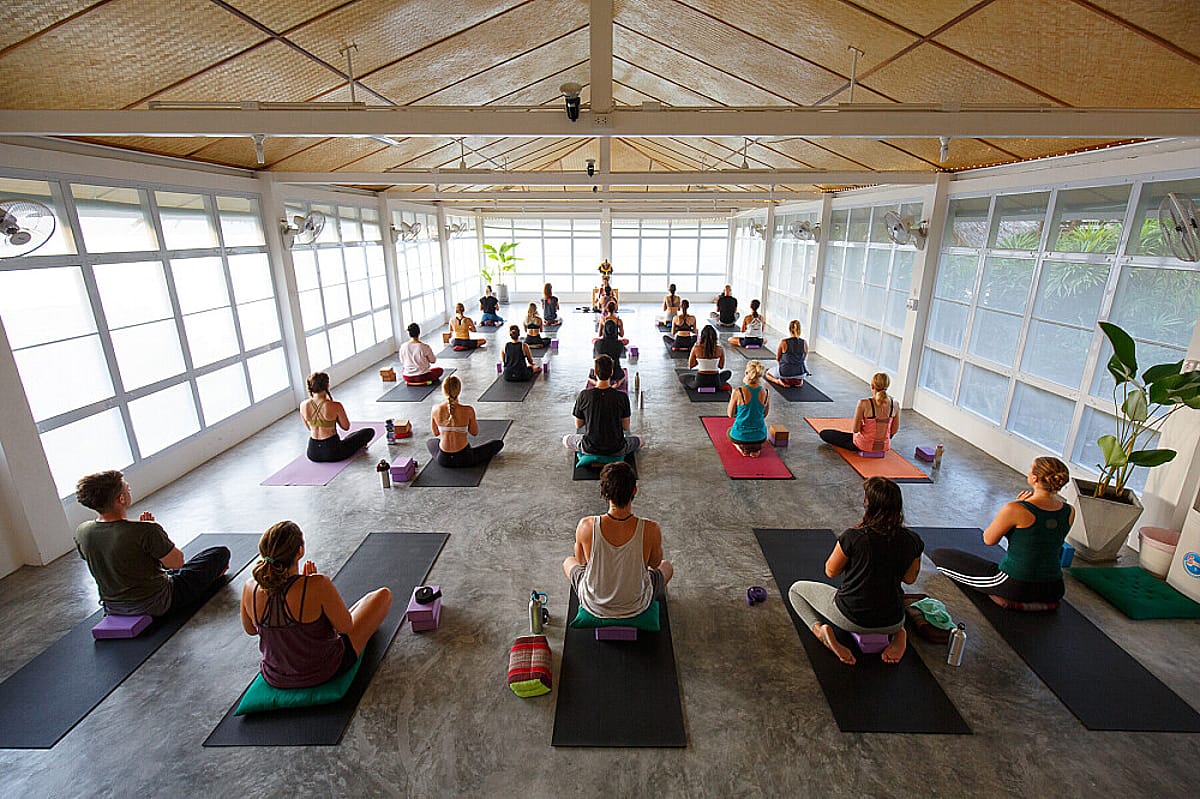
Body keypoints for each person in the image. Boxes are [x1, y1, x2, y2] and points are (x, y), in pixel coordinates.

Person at [240, 520, 392, 689]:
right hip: (326, 670)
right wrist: (311, 589)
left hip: (276, 676)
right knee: (382, 596)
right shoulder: (317, 584)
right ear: (300, 551)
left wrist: (305, 586)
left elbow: (251, 630)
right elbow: (345, 627)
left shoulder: (249, 587)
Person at [788, 477, 923, 665]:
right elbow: (909, 579)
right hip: (893, 619)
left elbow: (831, 571)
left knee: (796, 590)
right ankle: (900, 634)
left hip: (850, 618)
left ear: (869, 507)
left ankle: (820, 632)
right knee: (895, 599)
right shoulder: (913, 540)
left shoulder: (854, 537)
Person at [74, 470, 230, 618]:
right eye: (127, 488)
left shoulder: (82, 531)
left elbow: (112, 560)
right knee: (219, 553)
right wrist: (152, 530)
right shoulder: (146, 530)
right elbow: (176, 563)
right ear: (121, 499)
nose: (129, 490)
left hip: (113, 607)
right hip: (157, 602)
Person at [933, 457, 1074, 607]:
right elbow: (1043, 536)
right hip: (1054, 588)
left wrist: (1016, 505)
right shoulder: (1069, 510)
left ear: (1035, 478)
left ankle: (1007, 599)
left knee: (940, 556)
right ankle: (1038, 604)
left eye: (1030, 469)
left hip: (1015, 584)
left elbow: (988, 539)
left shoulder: (1016, 508)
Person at [562, 461, 673, 619]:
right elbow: (655, 564)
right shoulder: (651, 529)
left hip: (594, 604)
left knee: (568, 561)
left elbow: (581, 562)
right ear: (634, 490)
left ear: (604, 492)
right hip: (637, 605)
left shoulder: (586, 526)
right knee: (667, 566)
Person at [564, 355, 641, 456]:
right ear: (612, 372)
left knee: (566, 439)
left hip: (590, 448)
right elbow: (625, 426)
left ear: (595, 372)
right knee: (640, 440)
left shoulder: (584, 395)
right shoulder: (622, 396)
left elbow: (578, 424)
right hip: (617, 449)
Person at [426, 375, 504, 467]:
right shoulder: (468, 410)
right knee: (498, 444)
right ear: (459, 391)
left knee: (430, 442)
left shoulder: (435, 409)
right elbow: (474, 432)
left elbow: (435, 433)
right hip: (465, 458)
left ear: (444, 391)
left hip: (444, 459)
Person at [302, 372, 375, 463]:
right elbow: (346, 427)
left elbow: (309, 428)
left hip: (313, 453)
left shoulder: (303, 405)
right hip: (333, 452)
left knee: (351, 437)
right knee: (368, 432)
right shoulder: (335, 405)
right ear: (327, 385)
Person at [818, 373, 899, 452]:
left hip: (863, 446)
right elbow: (893, 431)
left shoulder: (864, 403)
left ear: (872, 385)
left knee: (824, 433)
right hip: (884, 446)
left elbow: (856, 429)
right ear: (887, 386)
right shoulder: (895, 404)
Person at [727, 360, 770, 457]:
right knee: (755, 440)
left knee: (729, 431)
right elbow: (764, 414)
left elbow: (730, 414)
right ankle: (755, 450)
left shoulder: (738, 391)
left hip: (741, 436)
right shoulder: (766, 392)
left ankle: (741, 448)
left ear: (746, 373)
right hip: (760, 436)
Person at [679, 325, 731, 390]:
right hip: (715, 382)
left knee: (682, 377)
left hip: (700, 382)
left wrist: (701, 361)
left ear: (702, 337)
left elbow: (691, 365)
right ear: (715, 337)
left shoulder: (696, 348)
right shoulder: (720, 349)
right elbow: (721, 366)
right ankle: (719, 385)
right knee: (727, 373)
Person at [766, 321, 809, 388]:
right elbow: (804, 358)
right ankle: (799, 382)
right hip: (800, 372)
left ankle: (778, 381)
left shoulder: (784, 342)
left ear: (789, 329)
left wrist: (785, 364)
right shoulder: (804, 343)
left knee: (768, 374)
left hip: (785, 372)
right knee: (799, 373)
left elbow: (778, 358)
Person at [591, 320, 627, 388]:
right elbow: (622, 356)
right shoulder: (619, 344)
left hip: (600, 373)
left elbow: (595, 357)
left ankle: (596, 383)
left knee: (590, 376)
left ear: (604, 330)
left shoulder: (597, 343)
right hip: (615, 372)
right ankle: (618, 384)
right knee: (623, 376)